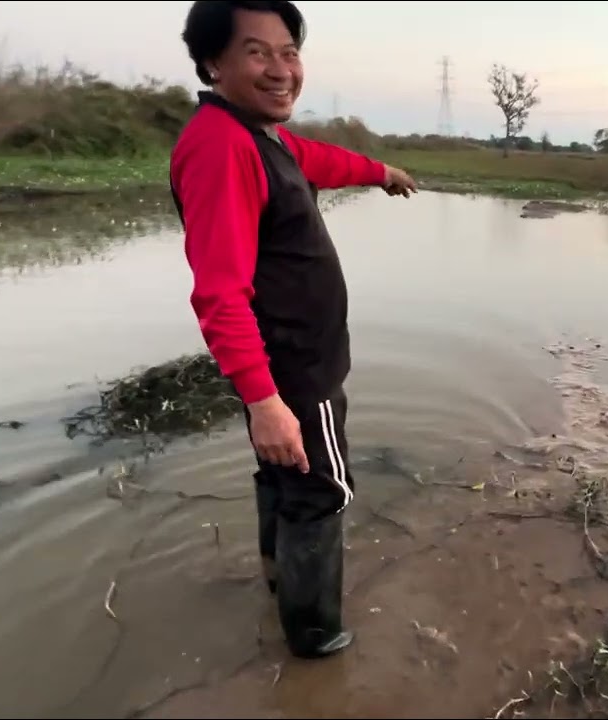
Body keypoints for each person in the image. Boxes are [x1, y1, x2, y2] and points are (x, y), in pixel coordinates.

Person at [169, 0, 418, 659]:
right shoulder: (222, 147)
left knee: (283, 476)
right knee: (321, 490)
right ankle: (315, 636)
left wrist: (378, 172)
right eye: (257, 52)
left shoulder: (255, 134)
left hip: (285, 371)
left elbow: (312, 157)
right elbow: (219, 293)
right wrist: (263, 399)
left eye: (289, 52)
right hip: (292, 373)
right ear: (214, 63)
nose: (281, 70)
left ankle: (278, 580)